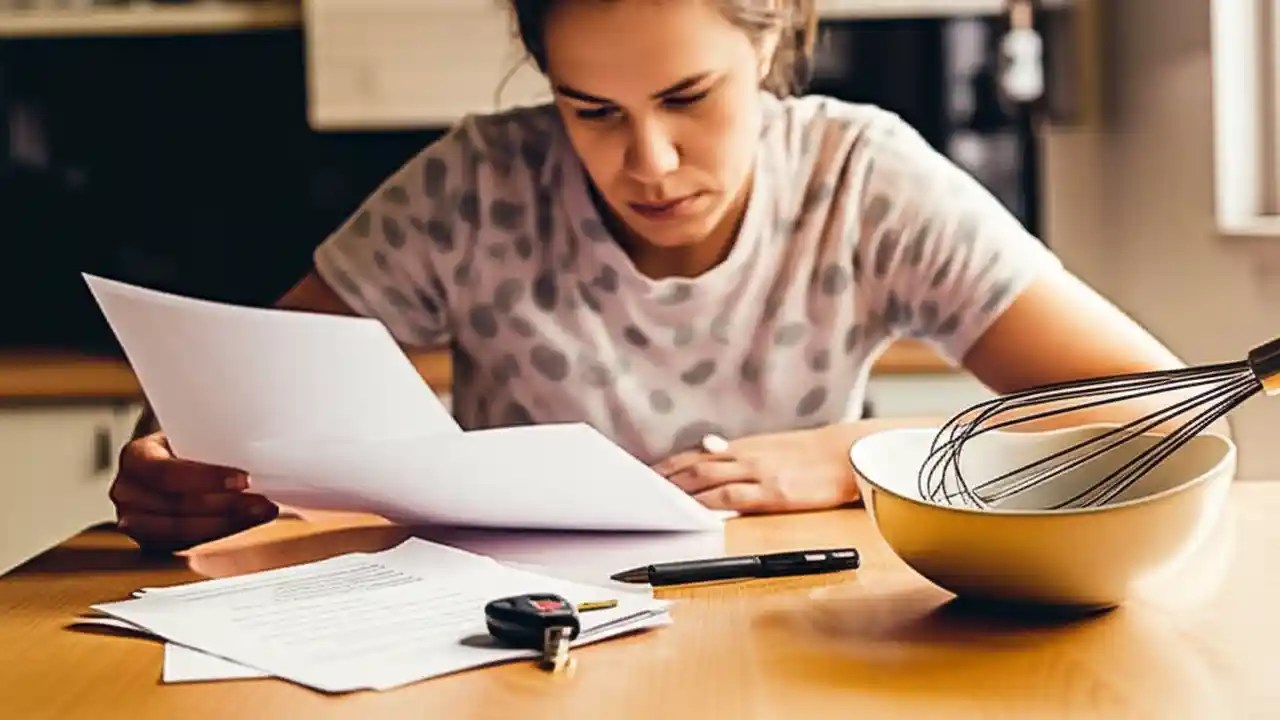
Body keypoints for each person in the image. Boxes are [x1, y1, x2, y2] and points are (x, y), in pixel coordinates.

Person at [108, 0, 1185, 553]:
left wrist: (866, 453)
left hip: (791, 627)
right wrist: (184, 473)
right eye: (591, 111)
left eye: (688, 97)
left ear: (768, 44)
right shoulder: (478, 183)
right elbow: (229, 411)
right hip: (515, 645)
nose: (649, 165)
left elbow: (1154, 411)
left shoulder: (860, 175)